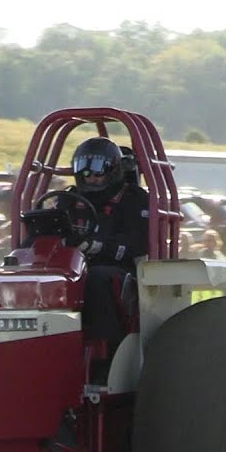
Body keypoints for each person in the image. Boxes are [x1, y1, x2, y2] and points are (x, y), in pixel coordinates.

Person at [63, 136, 150, 382]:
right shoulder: (68, 200)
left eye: (98, 170)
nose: (91, 176)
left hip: (120, 272)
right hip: (69, 268)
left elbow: (137, 243)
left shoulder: (135, 199)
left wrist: (97, 246)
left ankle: (105, 353)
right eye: (85, 169)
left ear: (113, 170)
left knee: (96, 279)